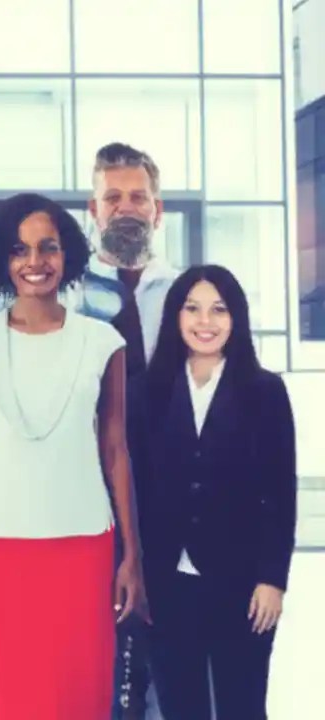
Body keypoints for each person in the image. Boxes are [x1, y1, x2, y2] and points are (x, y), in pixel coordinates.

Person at [0, 193, 146, 720]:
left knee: (82, 698)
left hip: (83, 544)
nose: (34, 262)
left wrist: (132, 556)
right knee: (15, 700)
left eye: (48, 247)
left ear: (68, 254)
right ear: (0, 260)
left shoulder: (103, 341)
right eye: (19, 250)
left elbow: (115, 449)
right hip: (0, 545)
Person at [130, 265, 296, 719]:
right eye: (193, 309)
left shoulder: (265, 391)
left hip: (243, 583)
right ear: (175, 317)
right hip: (166, 581)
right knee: (181, 706)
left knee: (242, 705)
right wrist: (135, 572)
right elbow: (135, 488)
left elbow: (281, 493)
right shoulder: (146, 392)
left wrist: (273, 579)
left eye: (219, 310)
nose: (206, 322)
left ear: (236, 318)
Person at [74, 141, 179, 720]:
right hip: (91, 503)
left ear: (157, 210)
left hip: (170, 503)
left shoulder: (192, 297)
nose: (127, 208)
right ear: (95, 210)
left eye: (139, 196)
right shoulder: (65, 297)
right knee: (102, 664)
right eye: (112, 197)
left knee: (171, 662)